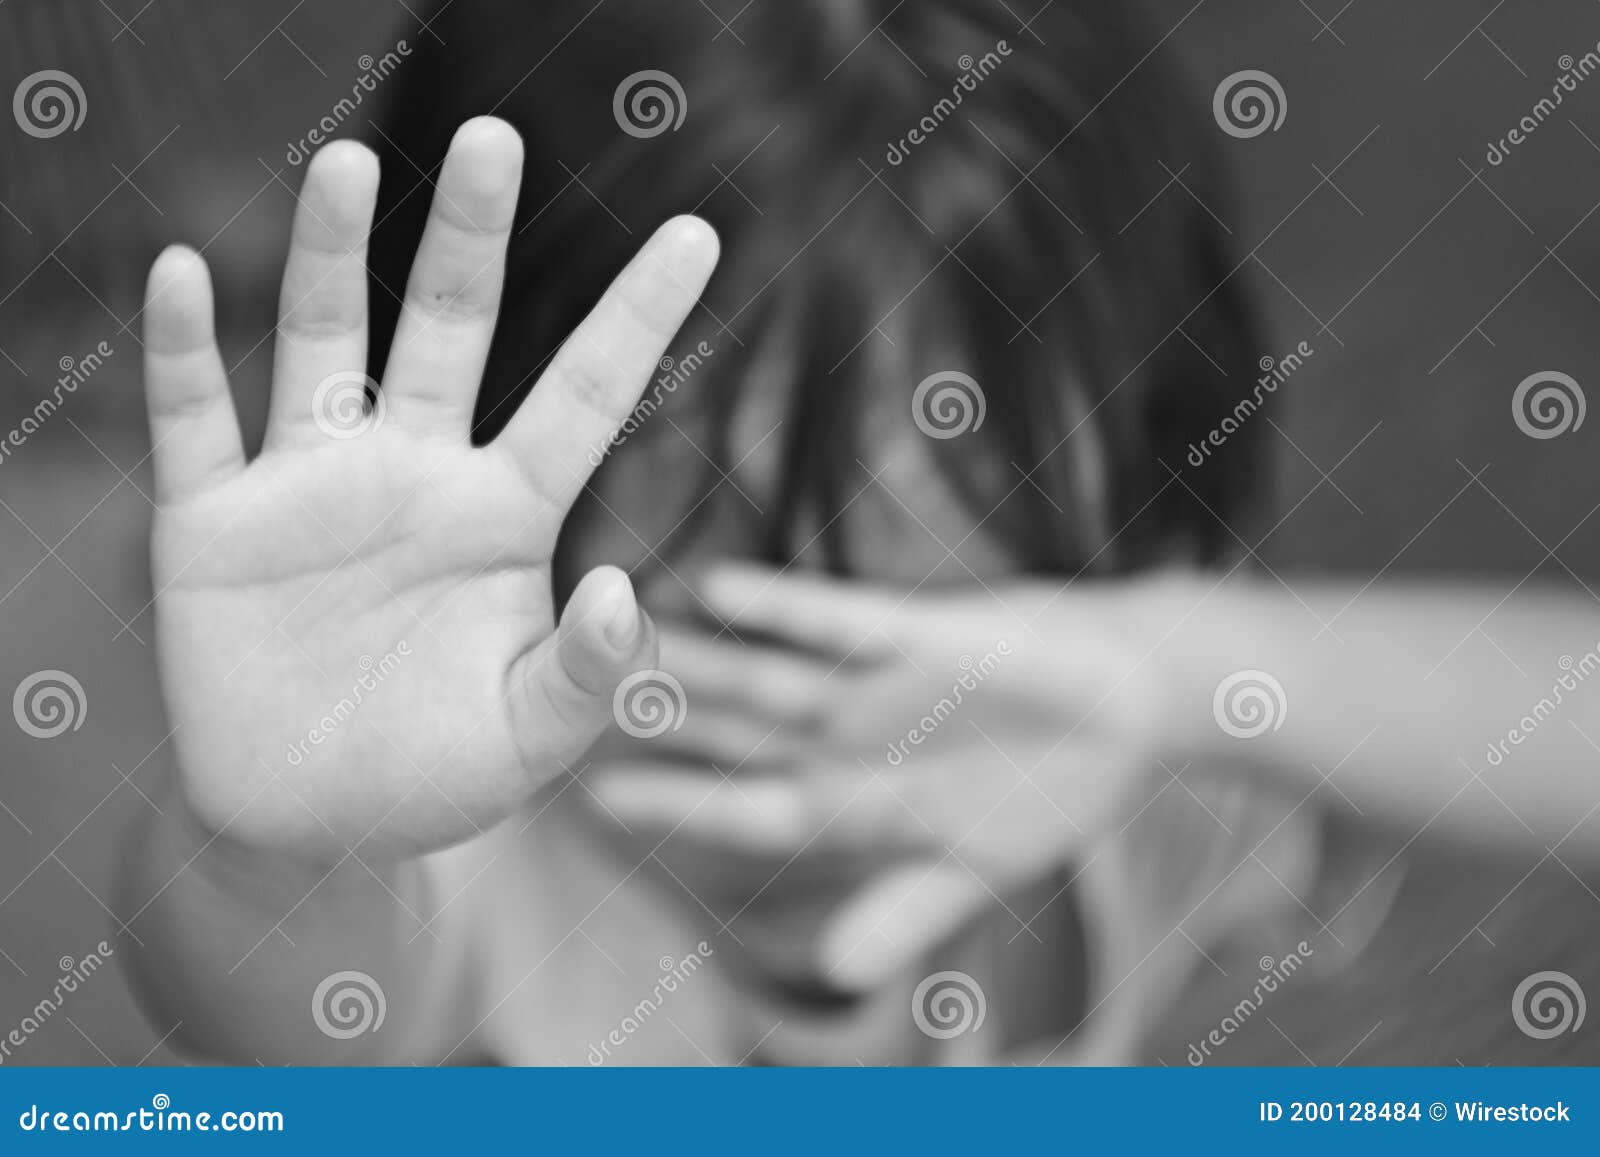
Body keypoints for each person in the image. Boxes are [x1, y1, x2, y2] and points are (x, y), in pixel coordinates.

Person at [117, 0, 1599, 1066]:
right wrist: (271, 844)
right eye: (718, 616)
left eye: (945, 610)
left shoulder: (1151, 753)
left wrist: (1173, 669)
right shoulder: (459, 849)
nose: (828, 754)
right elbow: (272, 1013)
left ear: (1137, 497)